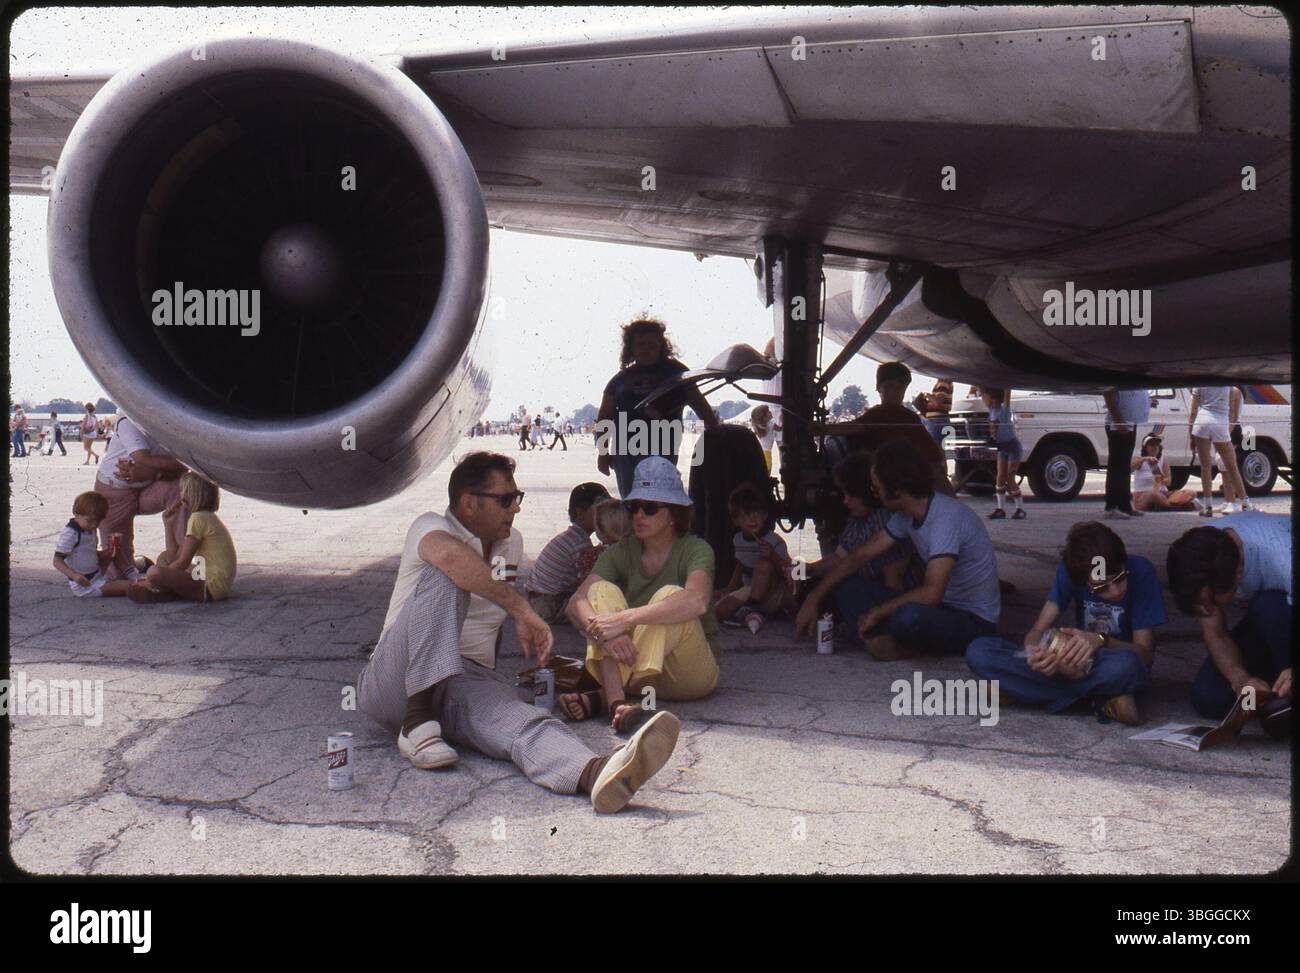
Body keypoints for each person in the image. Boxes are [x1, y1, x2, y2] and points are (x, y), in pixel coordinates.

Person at [356, 451, 681, 813]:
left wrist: (493, 682)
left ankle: (596, 773)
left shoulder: (512, 543)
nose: (516, 508)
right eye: (506, 499)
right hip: (395, 682)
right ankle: (415, 722)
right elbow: (451, 560)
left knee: (520, 719)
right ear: (469, 504)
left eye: (517, 498)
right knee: (444, 576)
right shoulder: (431, 527)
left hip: (461, 676)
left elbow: (486, 625)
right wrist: (521, 608)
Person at [795, 439, 999, 659]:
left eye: (876, 488)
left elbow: (932, 593)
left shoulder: (945, 518)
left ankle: (896, 645)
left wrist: (878, 612)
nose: (874, 494)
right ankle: (882, 640)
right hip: (940, 608)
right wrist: (813, 598)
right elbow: (858, 556)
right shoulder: (905, 516)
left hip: (972, 619)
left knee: (908, 616)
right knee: (849, 587)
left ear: (896, 490)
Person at [562, 456, 720, 733]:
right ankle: (616, 704)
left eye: (649, 507)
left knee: (671, 596)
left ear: (674, 512)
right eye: (633, 506)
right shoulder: (623, 550)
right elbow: (576, 602)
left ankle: (600, 696)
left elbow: (697, 600)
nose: (638, 515)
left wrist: (623, 620)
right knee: (600, 591)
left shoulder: (696, 550)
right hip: (636, 671)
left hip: (687, 673)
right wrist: (605, 633)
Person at [966, 521, 1166, 725]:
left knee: (1129, 667)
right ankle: (1101, 698)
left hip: (1108, 660)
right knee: (979, 650)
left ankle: (1025, 692)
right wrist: (1036, 655)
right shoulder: (1070, 572)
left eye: (1119, 579)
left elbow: (1144, 654)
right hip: (1067, 664)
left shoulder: (1141, 571)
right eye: (1101, 588)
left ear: (1124, 563)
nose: (1114, 591)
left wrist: (1101, 640)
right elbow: (1036, 631)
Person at [1167, 513, 1291, 728]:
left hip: (1280, 615)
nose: (1207, 609)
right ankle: (1274, 686)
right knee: (1210, 699)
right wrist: (1241, 680)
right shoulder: (1199, 558)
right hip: (1268, 627)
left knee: (1267, 606)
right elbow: (1216, 634)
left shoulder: (1284, 556)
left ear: (1238, 573)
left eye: (1212, 602)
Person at [799, 451, 924, 638]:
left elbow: (894, 578)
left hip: (897, 599)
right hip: (875, 592)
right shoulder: (857, 520)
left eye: (851, 495)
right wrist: (803, 569)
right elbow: (839, 558)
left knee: (849, 588)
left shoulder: (885, 519)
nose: (845, 501)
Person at [596, 318, 719, 497]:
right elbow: (604, 416)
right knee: (632, 502)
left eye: (652, 344)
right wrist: (603, 452)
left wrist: (716, 435)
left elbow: (700, 405)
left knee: (661, 501)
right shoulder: (620, 380)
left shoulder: (677, 373)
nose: (646, 349)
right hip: (626, 455)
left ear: (661, 346)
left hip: (663, 453)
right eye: (641, 344)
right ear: (631, 348)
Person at [810, 361, 953, 497]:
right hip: (925, 478)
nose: (895, 392)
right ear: (878, 387)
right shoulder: (886, 413)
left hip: (927, 481)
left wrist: (824, 429)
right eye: (890, 386)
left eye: (900, 387)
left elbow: (854, 427)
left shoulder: (897, 413)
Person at [93, 415, 188, 571]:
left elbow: (185, 466)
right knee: (118, 569)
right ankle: (140, 564)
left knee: (183, 488)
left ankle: (180, 557)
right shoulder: (127, 420)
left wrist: (153, 474)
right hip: (115, 492)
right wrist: (167, 466)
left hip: (147, 488)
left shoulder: (170, 421)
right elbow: (143, 458)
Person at [128, 472, 237, 604]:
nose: (180, 495)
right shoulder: (204, 517)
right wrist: (168, 524)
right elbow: (174, 553)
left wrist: (152, 580)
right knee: (164, 557)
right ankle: (166, 594)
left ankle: (159, 590)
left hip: (211, 586)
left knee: (153, 572)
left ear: (192, 495)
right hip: (211, 580)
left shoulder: (198, 518)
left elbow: (183, 562)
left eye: (183, 490)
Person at [714, 482, 795, 633]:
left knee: (763, 565)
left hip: (774, 593)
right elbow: (741, 565)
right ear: (736, 520)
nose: (753, 519)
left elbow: (788, 572)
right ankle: (753, 612)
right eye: (746, 515)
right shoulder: (738, 540)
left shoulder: (774, 541)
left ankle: (752, 609)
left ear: (765, 515)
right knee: (720, 610)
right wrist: (730, 587)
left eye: (757, 513)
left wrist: (773, 556)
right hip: (750, 590)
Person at [525, 482, 610, 623]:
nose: (604, 515)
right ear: (580, 512)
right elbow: (589, 582)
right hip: (548, 604)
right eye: (599, 510)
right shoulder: (579, 544)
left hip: (538, 599)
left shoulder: (572, 537)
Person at [53, 491, 135, 598]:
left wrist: (108, 552)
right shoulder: (71, 534)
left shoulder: (89, 529)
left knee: (114, 550)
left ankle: (132, 574)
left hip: (96, 573)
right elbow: (57, 561)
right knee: (130, 586)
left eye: (98, 521)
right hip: (86, 585)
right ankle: (139, 583)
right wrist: (74, 576)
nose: (94, 525)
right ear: (76, 514)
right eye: (90, 521)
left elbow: (88, 553)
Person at [1190, 386, 1251, 516]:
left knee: (1205, 467)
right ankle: (1246, 503)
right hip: (1220, 422)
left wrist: (1191, 436)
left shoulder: (1199, 385)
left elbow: (1193, 412)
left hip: (1201, 421)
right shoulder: (1227, 385)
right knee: (1232, 467)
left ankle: (1208, 506)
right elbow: (1232, 412)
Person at [1101, 388, 1150, 518]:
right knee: (1116, 465)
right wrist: (1119, 421)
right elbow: (1108, 395)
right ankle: (1111, 506)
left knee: (1124, 465)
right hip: (1118, 424)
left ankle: (1124, 505)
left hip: (1130, 422)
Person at [983, 388, 1025, 519]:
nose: (985, 399)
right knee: (1000, 477)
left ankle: (1020, 509)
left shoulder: (1004, 411)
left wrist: (1007, 384)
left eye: (987, 397)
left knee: (1010, 477)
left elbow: (1007, 396)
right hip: (1002, 447)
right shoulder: (991, 411)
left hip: (1013, 446)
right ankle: (1000, 509)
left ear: (994, 399)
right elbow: (982, 392)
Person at [1131, 434, 1197, 511]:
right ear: (1145, 447)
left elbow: (1168, 481)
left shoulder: (1163, 459)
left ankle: (1164, 505)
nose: (1154, 447)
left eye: (1157, 445)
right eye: (1151, 445)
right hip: (1144, 494)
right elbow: (1131, 466)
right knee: (1154, 495)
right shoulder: (1140, 459)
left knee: (1191, 492)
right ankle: (1175, 506)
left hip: (1162, 493)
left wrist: (1158, 477)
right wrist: (1146, 459)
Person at [915, 378, 954, 444]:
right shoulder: (942, 383)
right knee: (937, 447)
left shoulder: (943, 384)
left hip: (936, 421)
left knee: (933, 446)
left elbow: (937, 402)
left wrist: (927, 395)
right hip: (936, 420)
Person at [750, 404, 779, 472]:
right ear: (765, 417)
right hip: (767, 454)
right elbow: (780, 428)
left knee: (762, 472)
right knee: (767, 471)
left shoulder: (758, 427)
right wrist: (781, 418)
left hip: (759, 452)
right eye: (768, 411)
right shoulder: (771, 424)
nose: (771, 412)